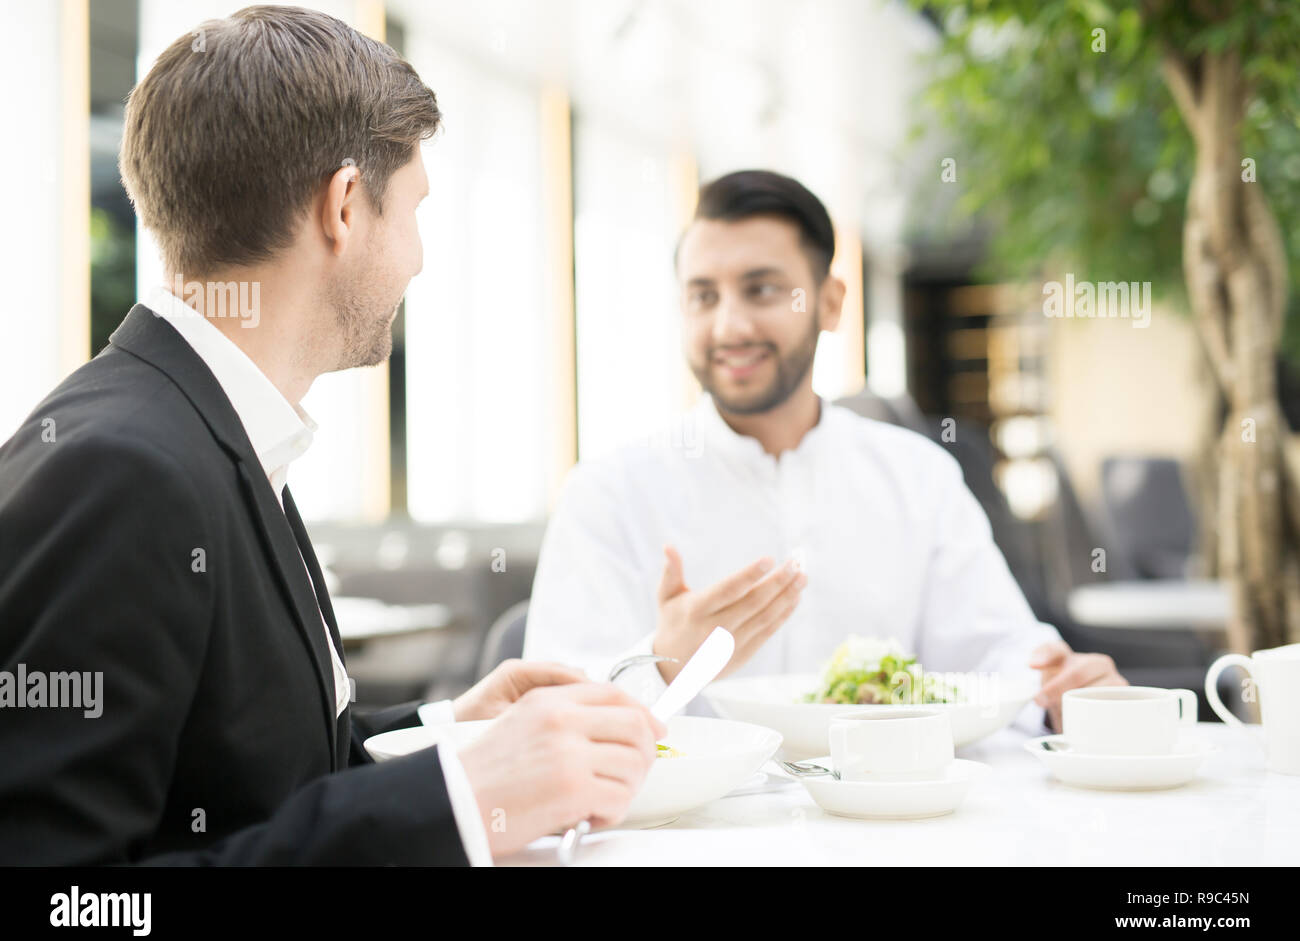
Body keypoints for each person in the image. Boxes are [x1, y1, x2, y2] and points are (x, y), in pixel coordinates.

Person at [0, 5, 664, 866]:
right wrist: (461, 802)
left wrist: (455, 736)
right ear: (345, 206)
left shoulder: (209, 429)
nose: (421, 257)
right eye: (416, 210)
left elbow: (251, 776)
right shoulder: (123, 470)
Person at [524, 169, 1126, 732]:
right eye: (703, 296)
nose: (729, 327)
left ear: (831, 302)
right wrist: (663, 665)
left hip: (894, 827)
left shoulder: (917, 475)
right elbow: (552, 712)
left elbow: (995, 653)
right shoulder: (608, 493)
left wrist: (1058, 692)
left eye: (761, 290)